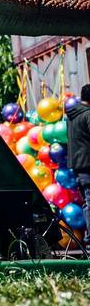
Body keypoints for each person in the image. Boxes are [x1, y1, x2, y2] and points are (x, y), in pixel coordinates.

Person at [68, 84, 90, 225]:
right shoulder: (87, 114)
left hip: (77, 165)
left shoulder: (71, 116)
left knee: (87, 202)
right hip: (88, 164)